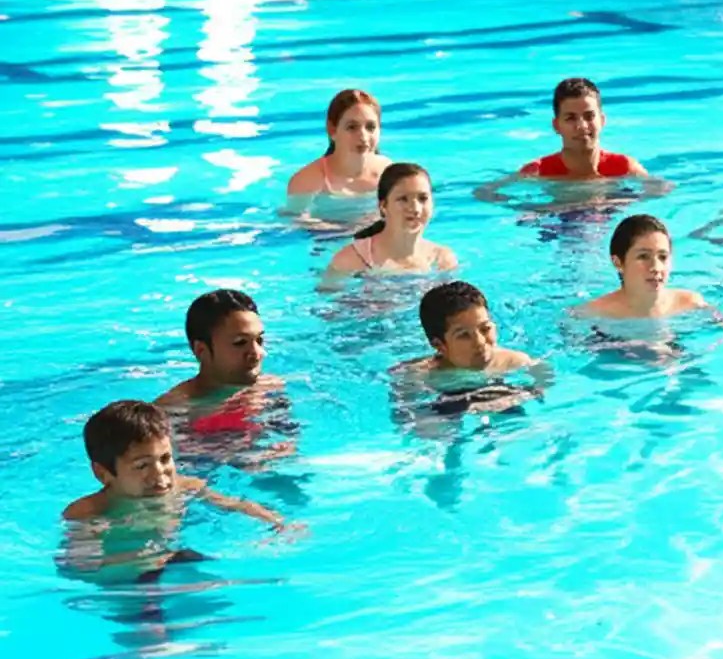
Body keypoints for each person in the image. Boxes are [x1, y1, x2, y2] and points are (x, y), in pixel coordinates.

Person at [63, 400, 290, 533]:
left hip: (176, 553)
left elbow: (234, 504)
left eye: (164, 459)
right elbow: (79, 565)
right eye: (142, 466)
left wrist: (276, 523)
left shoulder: (185, 486)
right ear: (103, 474)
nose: (159, 474)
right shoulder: (88, 512)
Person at [155, 289, 295, 464]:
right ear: (201, 350)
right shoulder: (171, 411)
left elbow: (288, 443)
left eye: (259, 340)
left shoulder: (270, 389)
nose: (257, 353)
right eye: (240, 343)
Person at [392, 280, 549, 416]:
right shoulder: (421, 375)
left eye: (485, 329)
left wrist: (529, 394)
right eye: (464, 335)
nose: (479, 341)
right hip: (448, 400)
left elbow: (544, 382)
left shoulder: (514, 362)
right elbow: (406, 416)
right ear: (439, 345)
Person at [325, 162, 458, 276]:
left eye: (423, 198)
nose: (415, 209)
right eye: (403, 199)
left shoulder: (441, 260)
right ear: (383, 206)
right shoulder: (351, 260)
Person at [578, 215, 711, 319]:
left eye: (663, 257)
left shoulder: (691, 305)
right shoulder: (592, 315)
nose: (656, 267)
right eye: (643, 257)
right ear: (618, 263)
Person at [518, 78, 648, 181]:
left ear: (602, 121)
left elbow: (660, 192)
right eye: (571, 118)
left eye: (589, 116)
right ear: (556, 126)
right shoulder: (537, 172)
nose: (582, 126)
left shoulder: (624, 168)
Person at [286, 89, 391, 197]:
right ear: (332, 130)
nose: (363, 137)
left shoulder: (388, 175)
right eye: (352, 127)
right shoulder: (307, 182)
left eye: (370, 127)